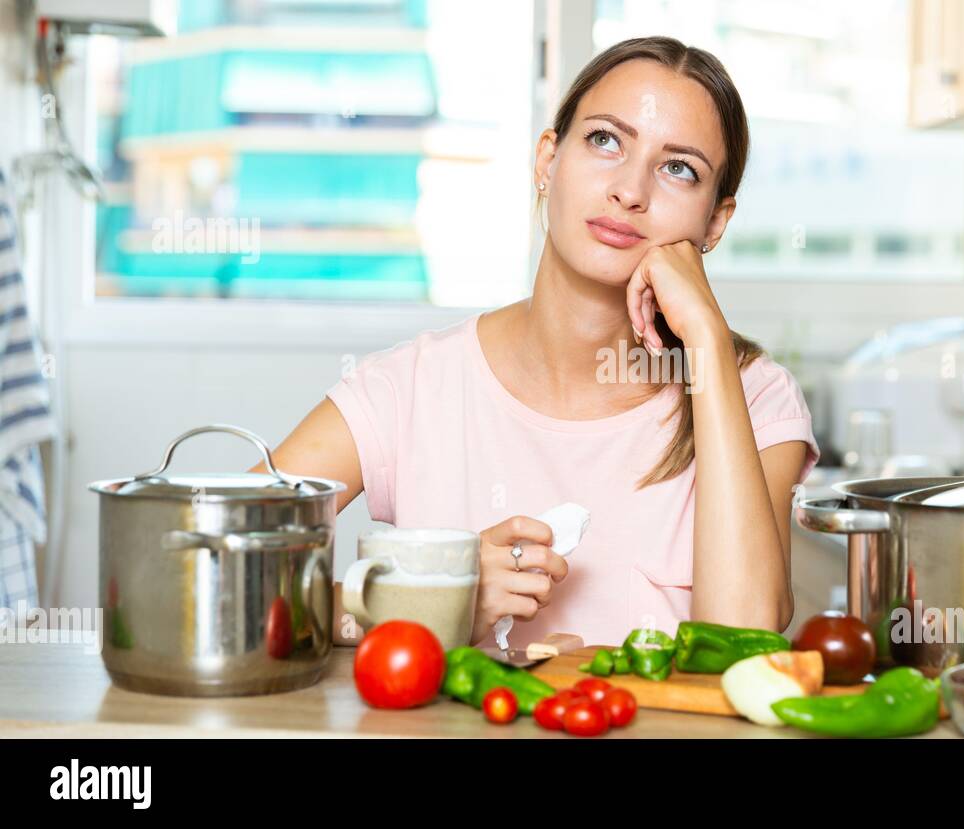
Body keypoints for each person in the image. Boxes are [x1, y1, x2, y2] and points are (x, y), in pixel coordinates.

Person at [254, 36, 820, 648]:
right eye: (605, 140)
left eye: (678, 168)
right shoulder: (408, 387)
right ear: (547, 161)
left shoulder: (756, 397)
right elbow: (236, 579)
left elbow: (741, 639)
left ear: (715, 222)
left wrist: (706, 337)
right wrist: (433, 604)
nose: (631, 190)